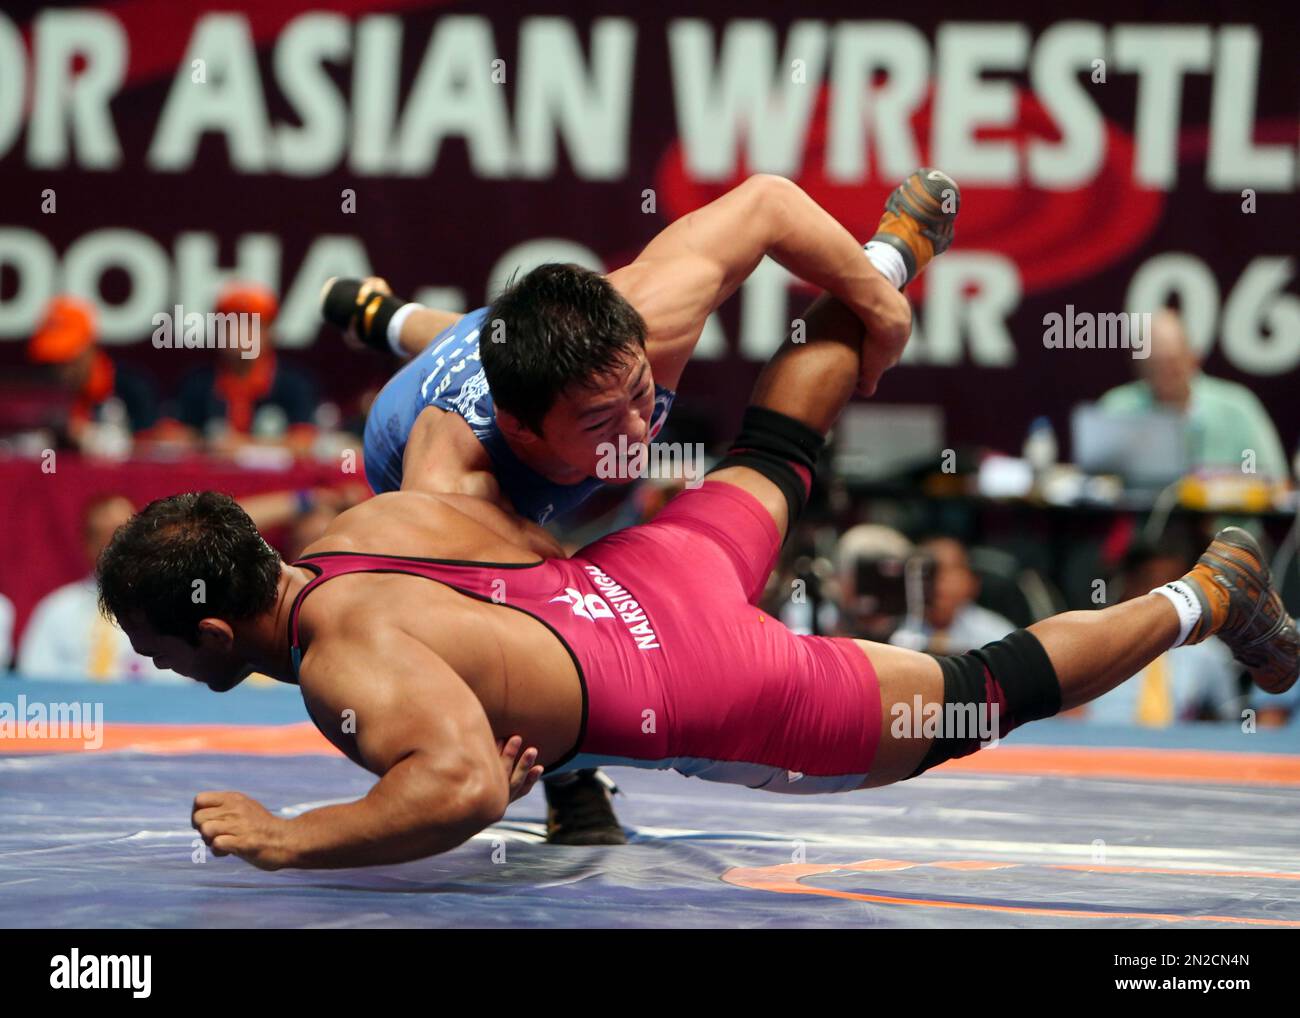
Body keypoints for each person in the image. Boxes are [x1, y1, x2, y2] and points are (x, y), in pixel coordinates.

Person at [98, 264, 1297, 872]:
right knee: (774, 452)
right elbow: (490, 599)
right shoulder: (374, 523)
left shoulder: (335, 662)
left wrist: (287, 834)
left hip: (703, 675)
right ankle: (877, 263)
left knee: (972, 694)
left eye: (153, 642)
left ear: (207, 636)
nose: (149, 657)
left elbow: (459, 786)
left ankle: (1205, 595)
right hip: (645, 572)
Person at [320, 170, 950, 843]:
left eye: (644, 395)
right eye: (599, 423)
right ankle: (578, 782)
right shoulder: (448, 496)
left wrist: (882, 302)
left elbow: (768, 202)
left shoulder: (646, 318)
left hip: (506, 357)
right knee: (538, 626)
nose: (634, 436)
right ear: (521, 430)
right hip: (423, 447)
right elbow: (420, 652)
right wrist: (475, 760)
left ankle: (384, 315)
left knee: (485, 336)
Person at [1099, 308, 1289, 479]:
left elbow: (1275, 481)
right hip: (1147, 519)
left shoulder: (1238, 408)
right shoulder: (1116, 409)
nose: (1164, 376)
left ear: (1192, 358)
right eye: (1154, 366)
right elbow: (1096, 485)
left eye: (1172, 364)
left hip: (1227, 518)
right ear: (1139, 366)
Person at [19, 494, 182, 682]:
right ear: (86, 542)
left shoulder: (166, 608)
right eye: (102, 536)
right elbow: (34, 681)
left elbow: (177, 682)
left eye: (122, 535)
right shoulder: (57, 610)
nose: (113, 547)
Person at [176, 283, 318, 456]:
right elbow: (172, 437)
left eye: (250, 324)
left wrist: (244, 447)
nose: (238, 333)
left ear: (269, 332)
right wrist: (203, 442)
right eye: (229, 324)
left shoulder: (293, 384)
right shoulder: (199, 381)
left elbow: (305, 444)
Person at [27, 295, 160, 454]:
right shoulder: (47, 396)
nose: (61, 371)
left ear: (89, 347)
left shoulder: (133, 388)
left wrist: (90, 437)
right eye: (53, 361)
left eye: (68, 358)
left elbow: (157, 449)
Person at [889, 537, 1015, 654]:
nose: (938, 580)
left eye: (949, 570)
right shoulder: (891, 630)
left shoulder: (998, 635)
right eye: (928, 571)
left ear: (971, 580)